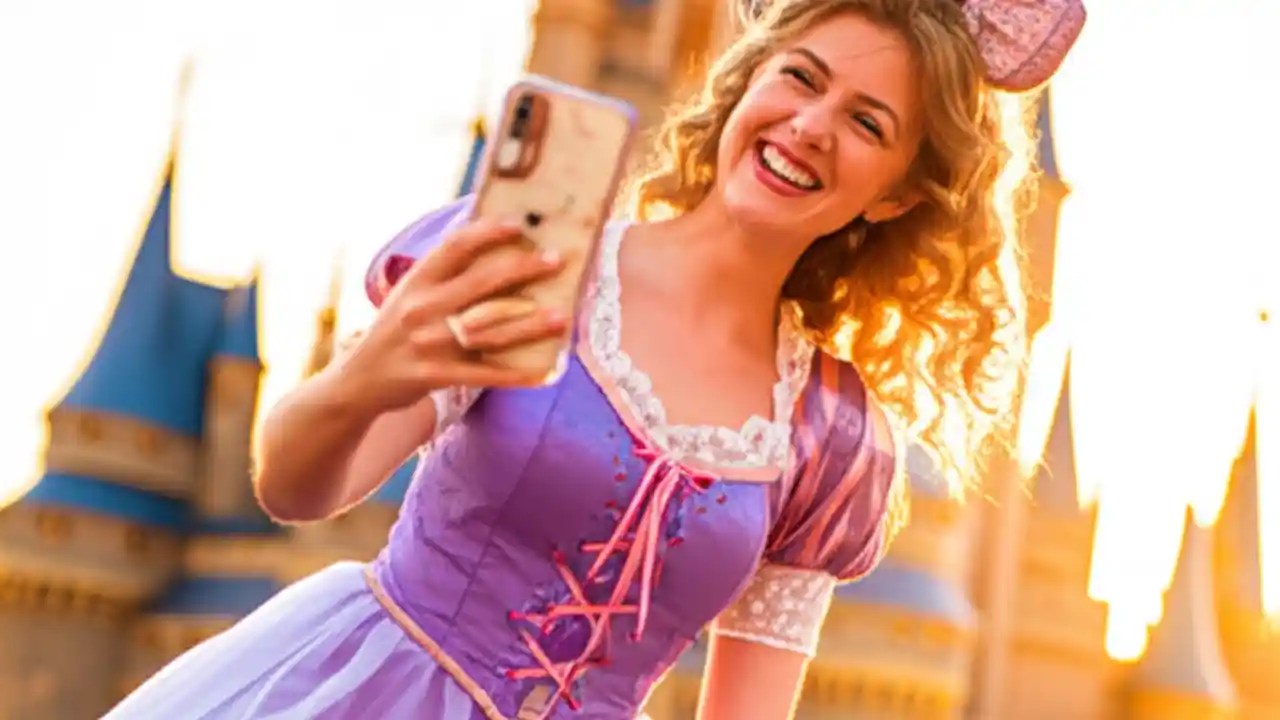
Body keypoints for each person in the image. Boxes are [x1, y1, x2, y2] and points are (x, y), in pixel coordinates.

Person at [105, 0, 1084, 718]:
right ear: (743, 79)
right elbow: (293, 489)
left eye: (867, 122)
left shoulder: (828, 438)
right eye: (799, 76)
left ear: (895, 196)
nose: (809, 125)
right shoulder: (540, 261)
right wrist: (372, 372)